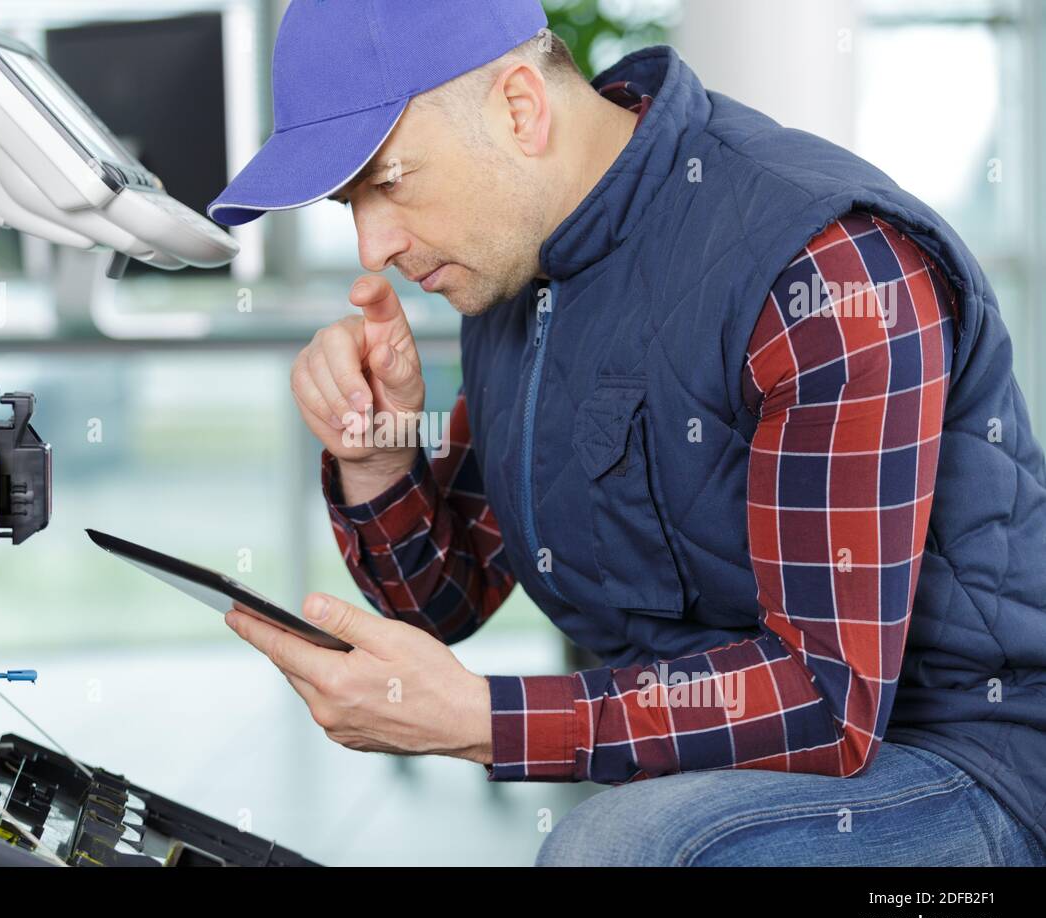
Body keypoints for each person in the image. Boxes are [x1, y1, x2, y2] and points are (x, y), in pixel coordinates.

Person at [208, 0, 1046, 865]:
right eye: (351, 203)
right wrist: (379, 459)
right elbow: (444, 603)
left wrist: (483, 722)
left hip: (974, 764)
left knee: (613, 852)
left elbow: (826, 704)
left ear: (521, 108)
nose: (372, 246)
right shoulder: (512, 267)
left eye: (388, 182)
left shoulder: (825, 270)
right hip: (739, 775)